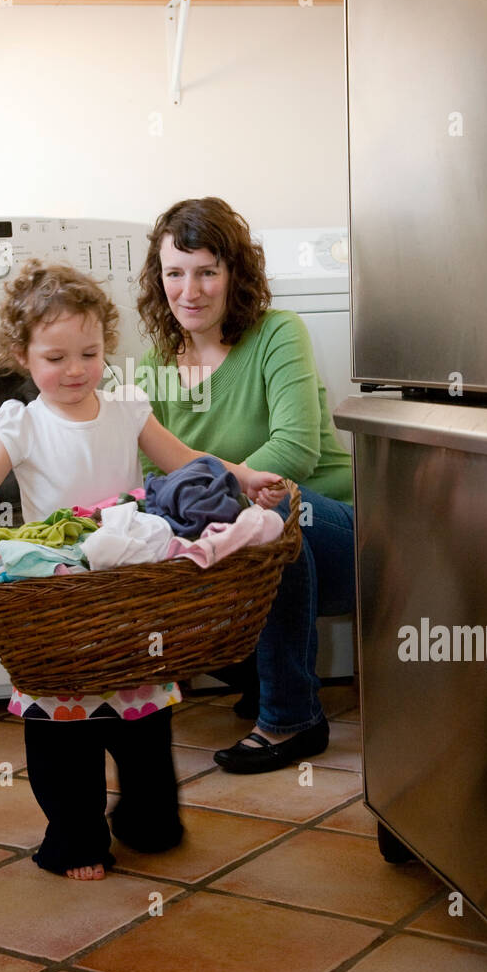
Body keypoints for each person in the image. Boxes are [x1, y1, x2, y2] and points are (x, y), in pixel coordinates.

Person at [0, 258, 284, 879]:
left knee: (144, 710)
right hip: (62, 591)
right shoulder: (24, 423)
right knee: (65, 728)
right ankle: (76, 836)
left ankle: (149, 817)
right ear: (23, 355)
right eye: (56, 358)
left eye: (88, 354)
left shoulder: (125, 407)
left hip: (127, 588)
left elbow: (185, 461)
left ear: (106, 349)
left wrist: (244, 476)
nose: (74, 371)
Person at [136, 197, 356, 774]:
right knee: (147, 534)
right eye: (175, 273)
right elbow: (155, 477)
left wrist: (208, 495)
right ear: (159, 281)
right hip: (233, 533)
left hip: (335, 532)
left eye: (208, 270)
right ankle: (263, 678)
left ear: (235, 273)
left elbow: (294, 451)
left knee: (271, 514)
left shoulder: (278, 334)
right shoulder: (152, 366)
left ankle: (292, 718)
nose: (191, 290)